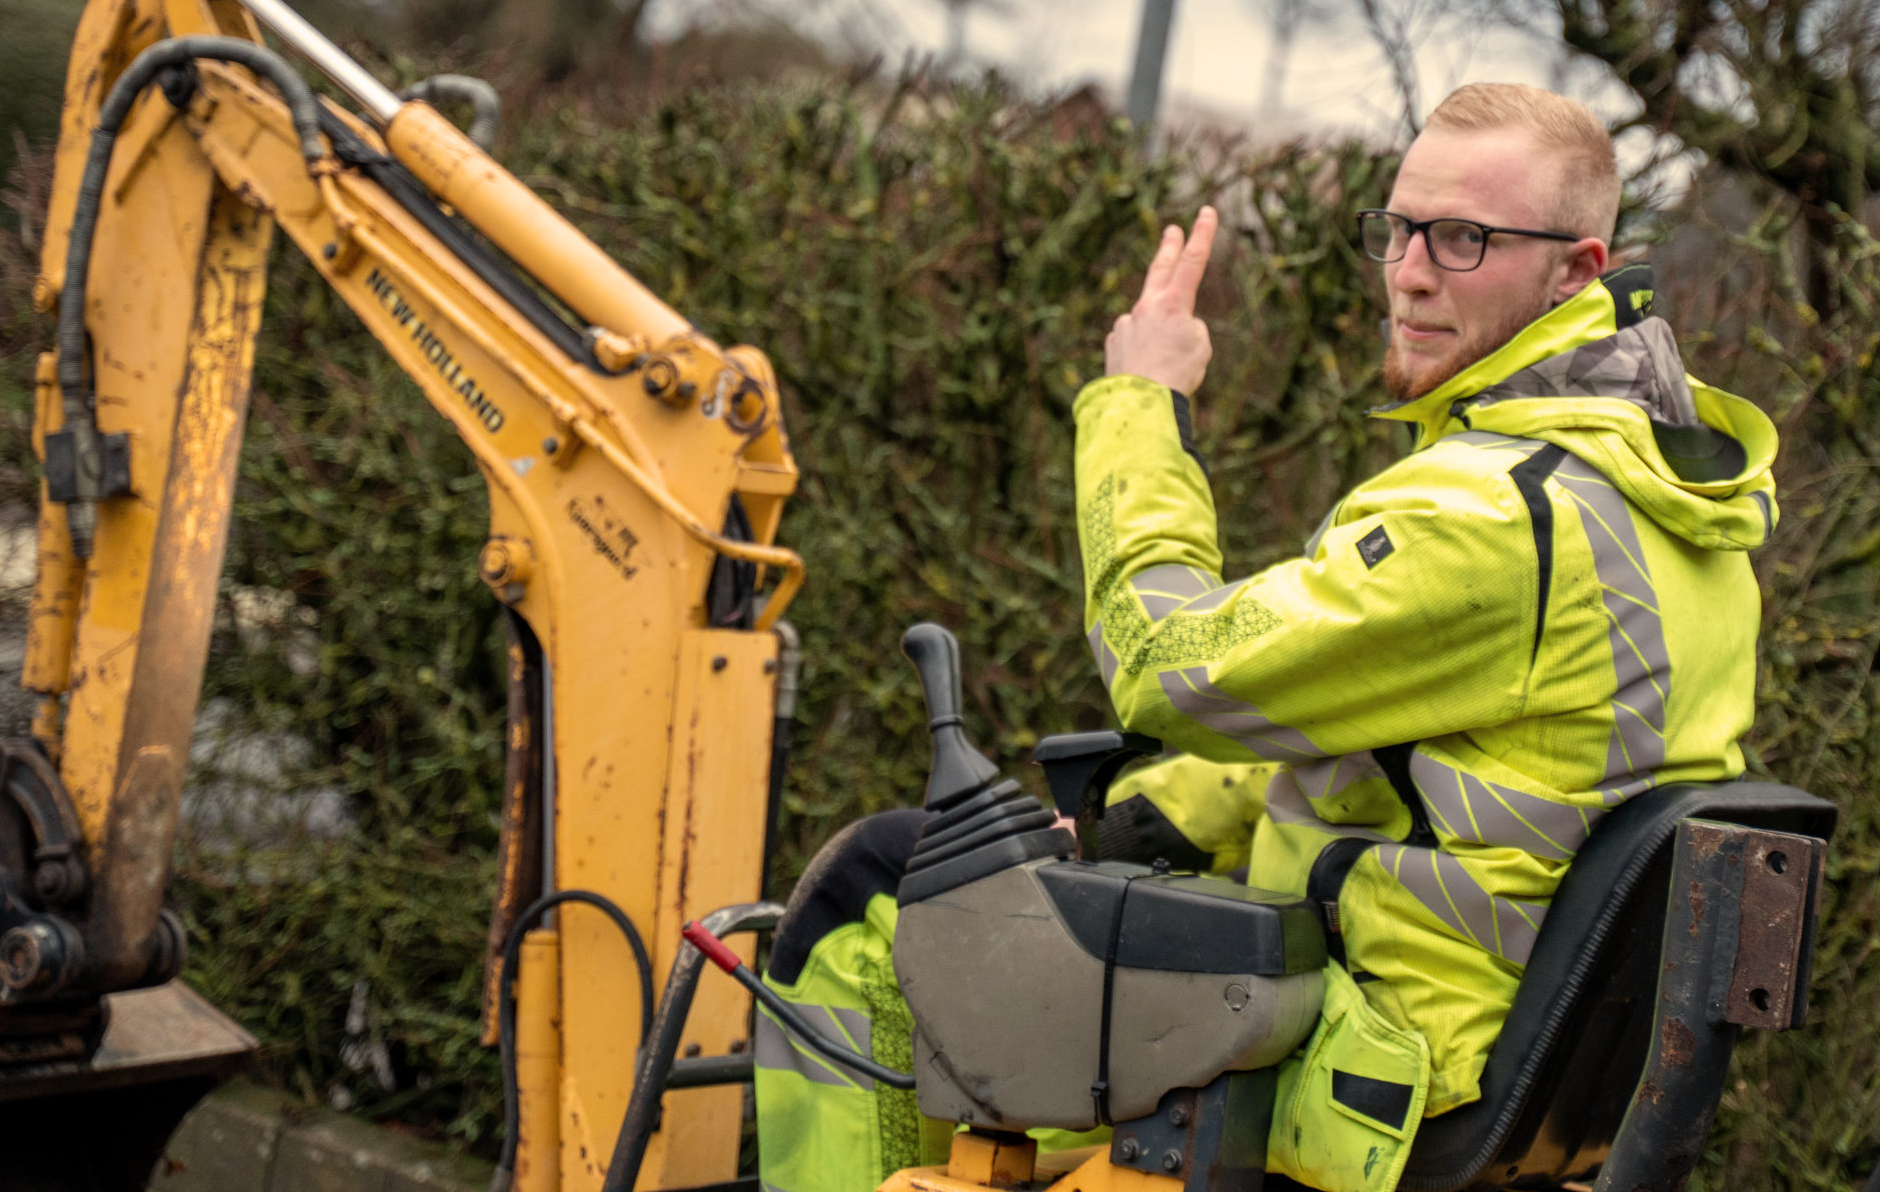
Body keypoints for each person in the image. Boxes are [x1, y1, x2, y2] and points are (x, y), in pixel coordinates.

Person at [754, 83, 1779, 1192]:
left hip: (1383, 1063)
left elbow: (1165, 666)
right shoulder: (1680, 512)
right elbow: (1409, 764)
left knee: (876, 906)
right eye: (1400, 227)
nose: (1413, 270)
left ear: (1576, 268)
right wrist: (1155, 821)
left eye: (1467, 238)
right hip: (1513, 1065)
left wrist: (1141, 403)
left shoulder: (1488, 518)